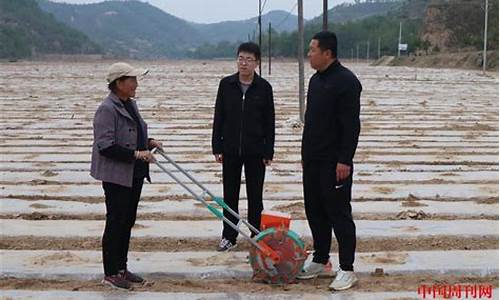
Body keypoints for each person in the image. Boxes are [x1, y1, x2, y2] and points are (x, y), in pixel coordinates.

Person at [297, 31, 362, 291]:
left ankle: (347, 268)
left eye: (312, 50)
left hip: (335, 163)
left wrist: (344, 160)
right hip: (313, 160)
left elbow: (351, 127)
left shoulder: (347, 82)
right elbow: (310, 123)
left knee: (338, 214)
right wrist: (305, 156)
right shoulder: (315, 80)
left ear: (327, 53)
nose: (309, 54)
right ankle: (320, 258)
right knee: (314, 209)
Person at [90, 62, 162, 290]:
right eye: (132, 80)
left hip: (134, 173)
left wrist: (149, 143)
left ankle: (122, 267)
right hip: (116, 175)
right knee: (116, 222)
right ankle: (110, 272)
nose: (136, 84)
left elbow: (135, 133)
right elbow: (106, 146)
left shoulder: (129, 104)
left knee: (127, 222)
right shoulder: (107, 108)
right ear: (119, 83)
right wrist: (137, 154)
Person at [211, 42, 275, 252]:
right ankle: (229, 235)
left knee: (255, 195)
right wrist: (216, 146)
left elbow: (269, 121)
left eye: (249, 59)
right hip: (230, 149)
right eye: (241, 58)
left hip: (256, 150)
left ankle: (257, 235)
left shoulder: (264, 87)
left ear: (257, 63)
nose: (244, 63)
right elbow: (219, 116)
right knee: (230, 194)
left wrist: (269, 150)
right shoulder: (226, 84)